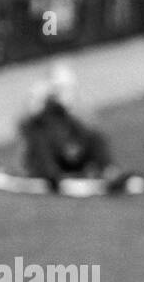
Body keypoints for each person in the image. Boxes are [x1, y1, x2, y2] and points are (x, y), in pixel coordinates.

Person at [17, 63, 136, 193]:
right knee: (40, 137)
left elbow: (90, 127)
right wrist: (39, 101)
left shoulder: (71, 108)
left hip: (67, 153)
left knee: (96, 137)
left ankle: (110, 172)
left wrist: (71, 106)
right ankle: (52, 177)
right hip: (43, 160)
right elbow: (25, 127)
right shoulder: (39, 104)